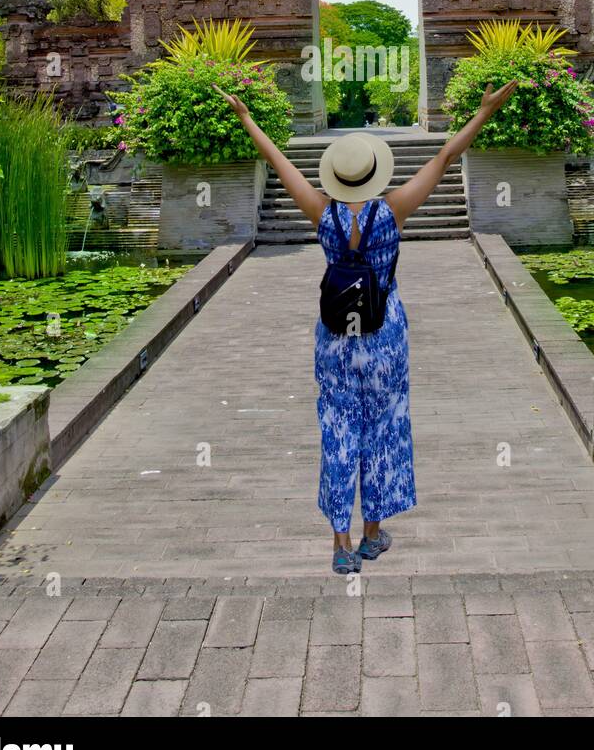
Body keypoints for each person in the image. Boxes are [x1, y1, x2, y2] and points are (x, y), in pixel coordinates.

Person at [214, 79, 517, 574]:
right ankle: (373, 536)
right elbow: (443, 159)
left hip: (336, 337)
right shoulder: (392, 210)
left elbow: (278, 163)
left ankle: (340, 543)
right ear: (375, 175)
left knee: (337, 431)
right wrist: (483, 113)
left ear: (336, 177)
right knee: (384, 428)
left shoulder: (321, 213)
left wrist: (247, 118)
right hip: (384, 335)